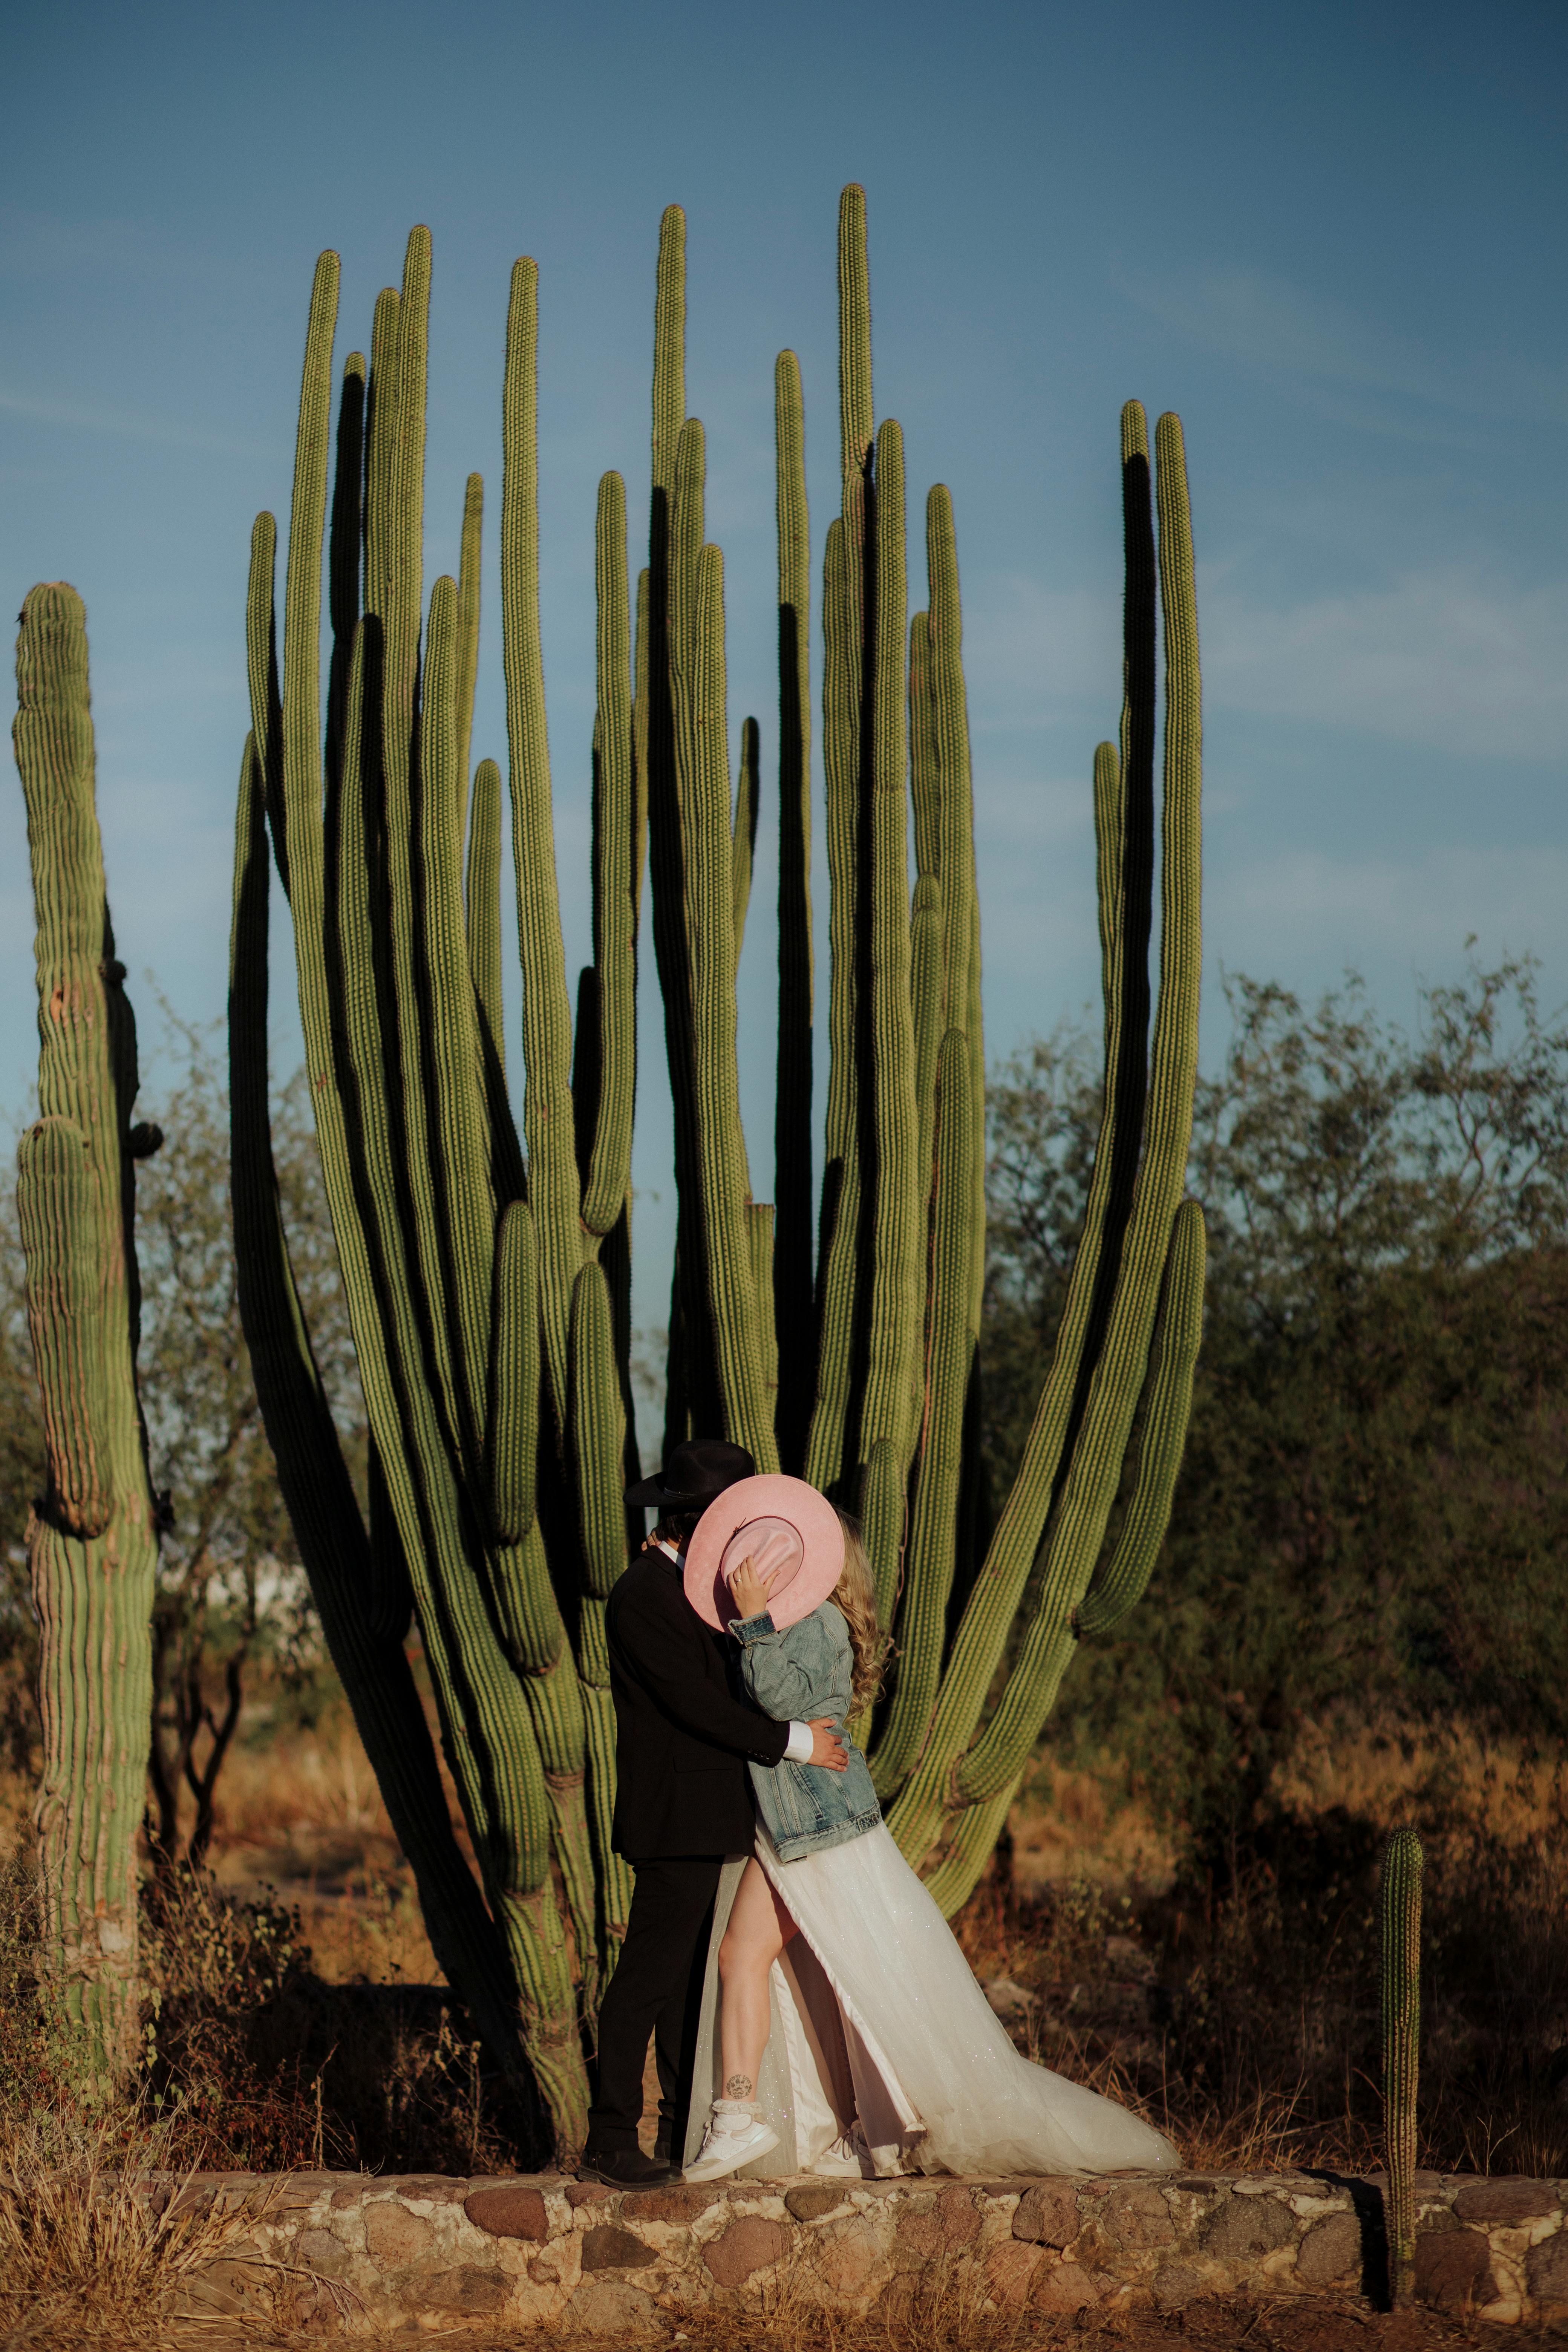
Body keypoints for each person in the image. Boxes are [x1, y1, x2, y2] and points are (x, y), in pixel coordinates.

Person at [678, 1475, 1179, 2182]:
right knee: (824, 1975)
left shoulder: (816, 1624)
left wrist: (754, 1623)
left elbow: (784, 1702)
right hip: (803, 1821)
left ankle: (741, 2120)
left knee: (749, 1957)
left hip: (817, 1824)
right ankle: (833, 2129)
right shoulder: (801, 1626)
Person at [577, 1440, 849, 2187]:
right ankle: (609, 2138)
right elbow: (694, 1705)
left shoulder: (690, 1594)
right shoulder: (643, 1595)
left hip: (707, 1816)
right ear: (694, 1524)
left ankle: (673, 2135)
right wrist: (794, 1743)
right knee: (647, 1977)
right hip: (675, 1820)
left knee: (687, 1983)